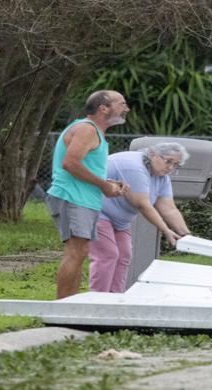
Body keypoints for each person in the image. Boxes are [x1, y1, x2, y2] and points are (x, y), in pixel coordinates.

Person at [47, 90, 130, 299]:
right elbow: (70, 163)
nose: (126, 109)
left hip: (83, 198)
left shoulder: (95, 132)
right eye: (121, 104)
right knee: (75, 253)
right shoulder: (87, 129)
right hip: (72, 197)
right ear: (104, 108)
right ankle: (63, 306)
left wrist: (107, 183)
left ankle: (70, 304)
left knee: (80, 253)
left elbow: (82, 165)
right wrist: (103, 186)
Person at [90, 143, 192, 293]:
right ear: (153, 155)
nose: (171, 167)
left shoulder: (162, 177)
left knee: (124, 256)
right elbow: (142, 204)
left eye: (176, 164)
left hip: (120, 219)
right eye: (168, 161)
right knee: (108, 255)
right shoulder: (134, 167)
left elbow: (169, 209)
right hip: (96, 210)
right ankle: (96, 300)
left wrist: (188, 236)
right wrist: (166, 230)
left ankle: (114, 300)